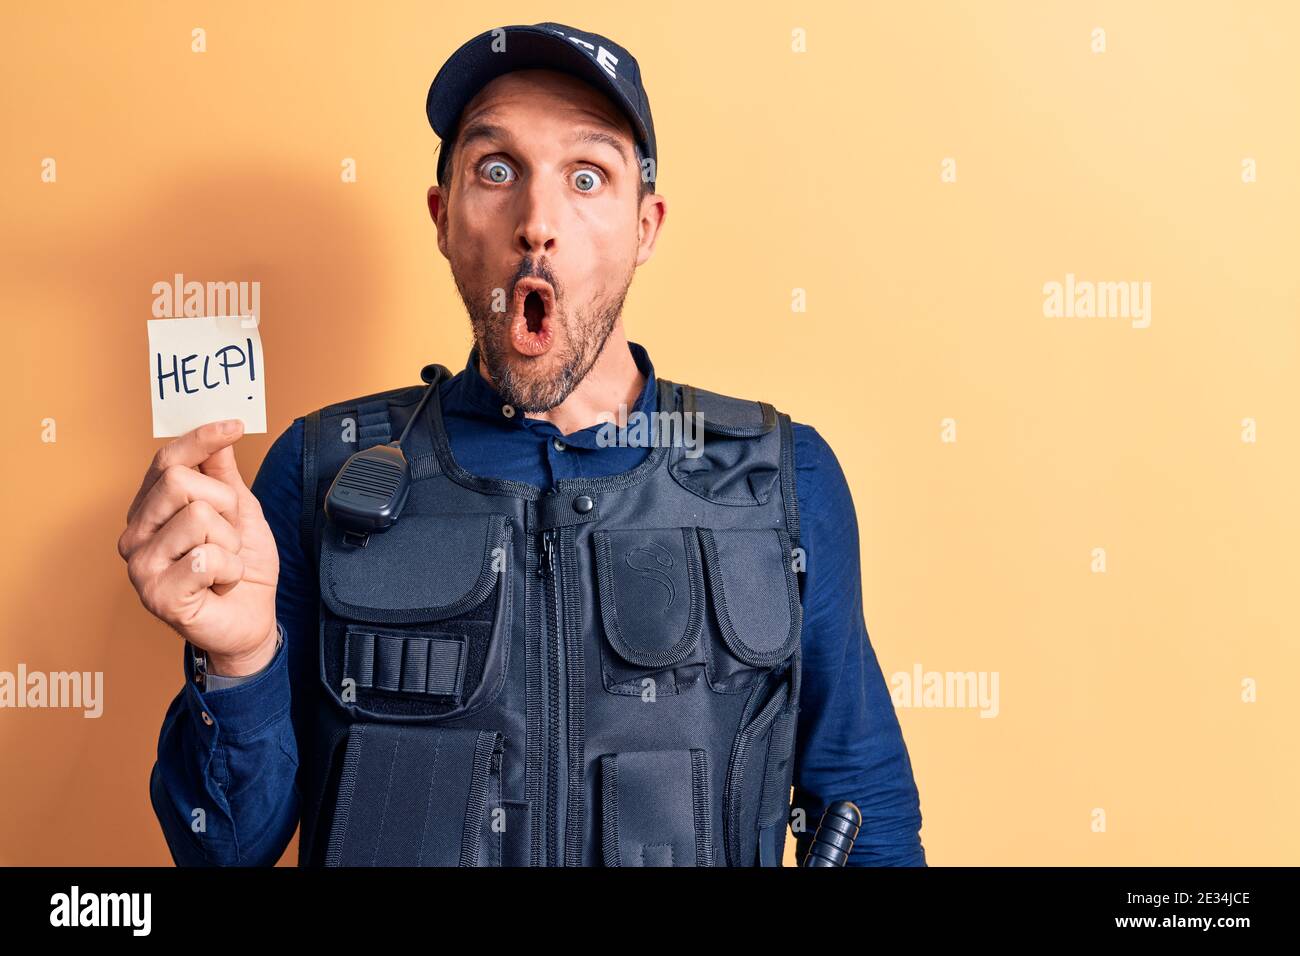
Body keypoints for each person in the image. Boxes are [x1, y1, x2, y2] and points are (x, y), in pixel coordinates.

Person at [119, 22, 926, 867]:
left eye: (587, 176)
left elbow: (869, 814)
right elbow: (224, 851)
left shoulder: (781, 478)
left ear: (646, 227)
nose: (537, 222)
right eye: (496, 171)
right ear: (442, 217)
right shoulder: (317, 470)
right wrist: (239, 658)